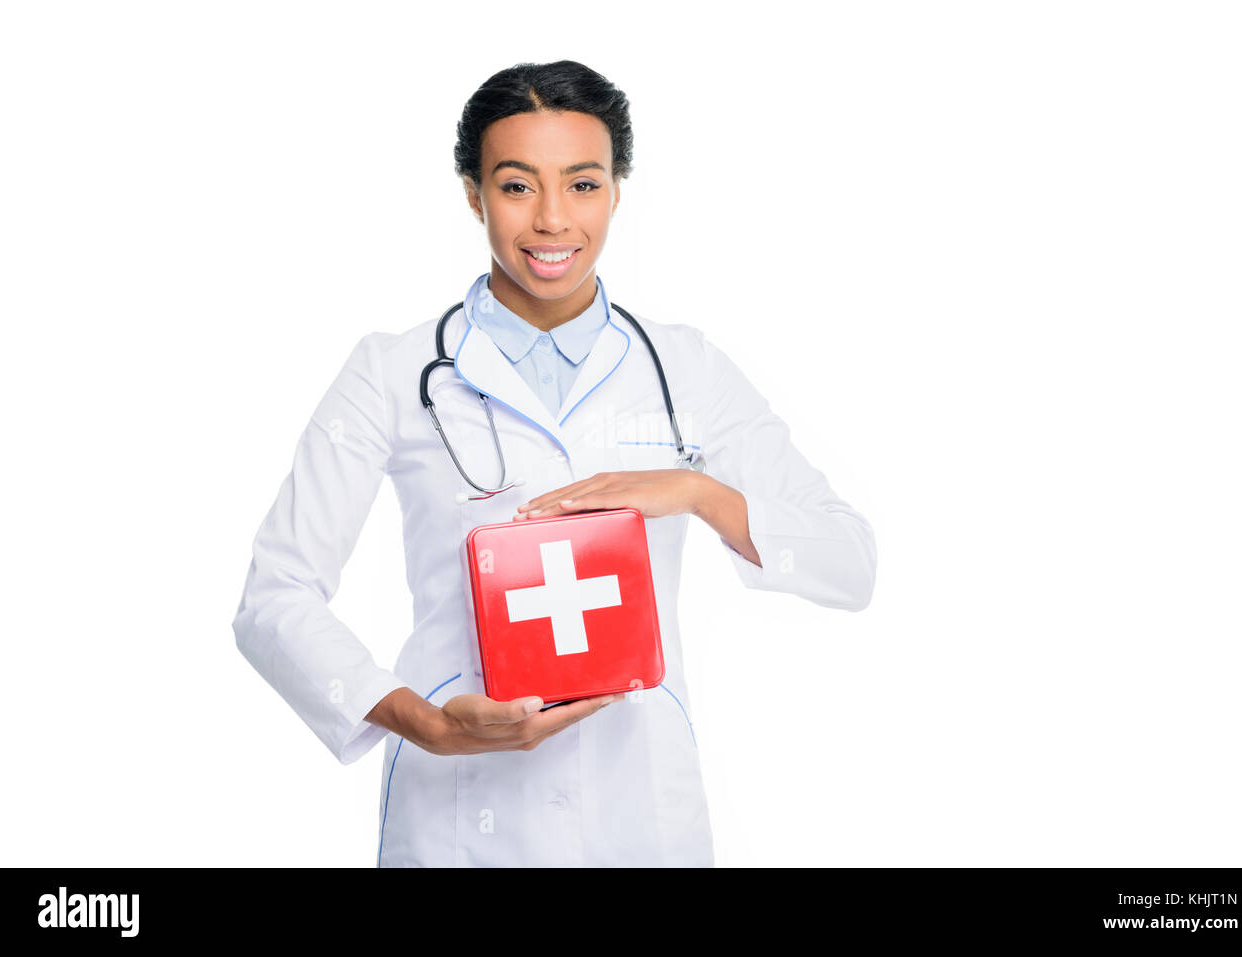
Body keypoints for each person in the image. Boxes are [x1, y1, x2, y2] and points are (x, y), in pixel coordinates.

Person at [231, 59, 876, 867]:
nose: (551, 220)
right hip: (462, 818)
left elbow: (850, 561)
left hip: (640, 815)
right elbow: (275, 594)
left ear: (617, 191)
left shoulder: (686, 370)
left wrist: (696, 492)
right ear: (473, 195)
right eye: (516, 186)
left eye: (582, 184)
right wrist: (417, 719)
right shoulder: (392, 373)